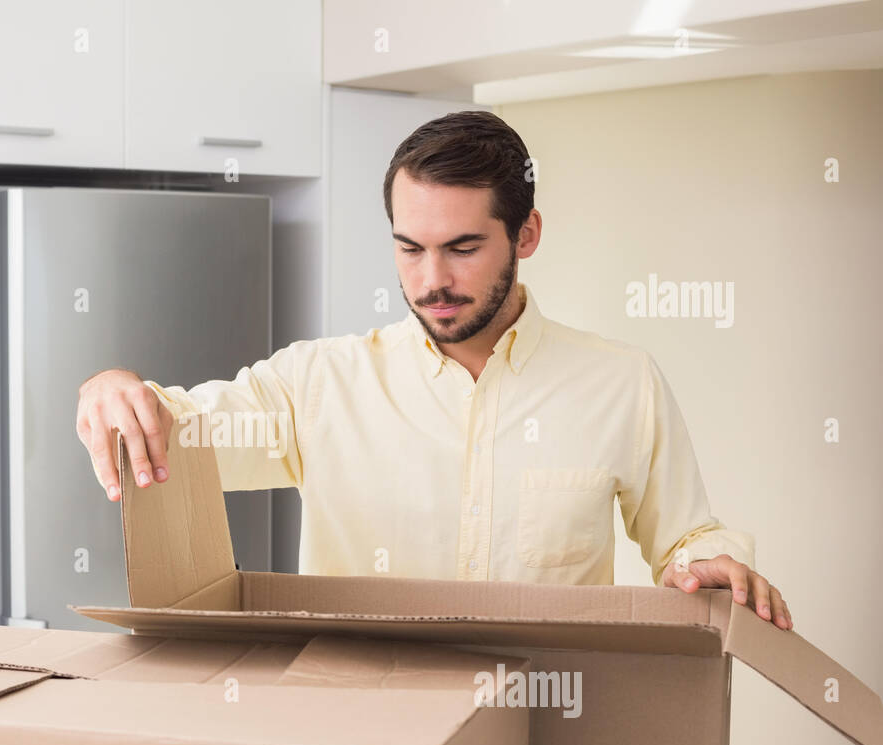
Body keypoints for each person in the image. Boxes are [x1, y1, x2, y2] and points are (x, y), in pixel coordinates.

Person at [75, 110, 792, 630]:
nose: (432, 280)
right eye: (410, 248)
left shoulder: (621, 384)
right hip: (367, 737)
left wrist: (712, 562)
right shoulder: (321, 384)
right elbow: (181, 434)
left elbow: (686, 538)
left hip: (550, 728)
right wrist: (116, 394)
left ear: (527, 234)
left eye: (462, 247)